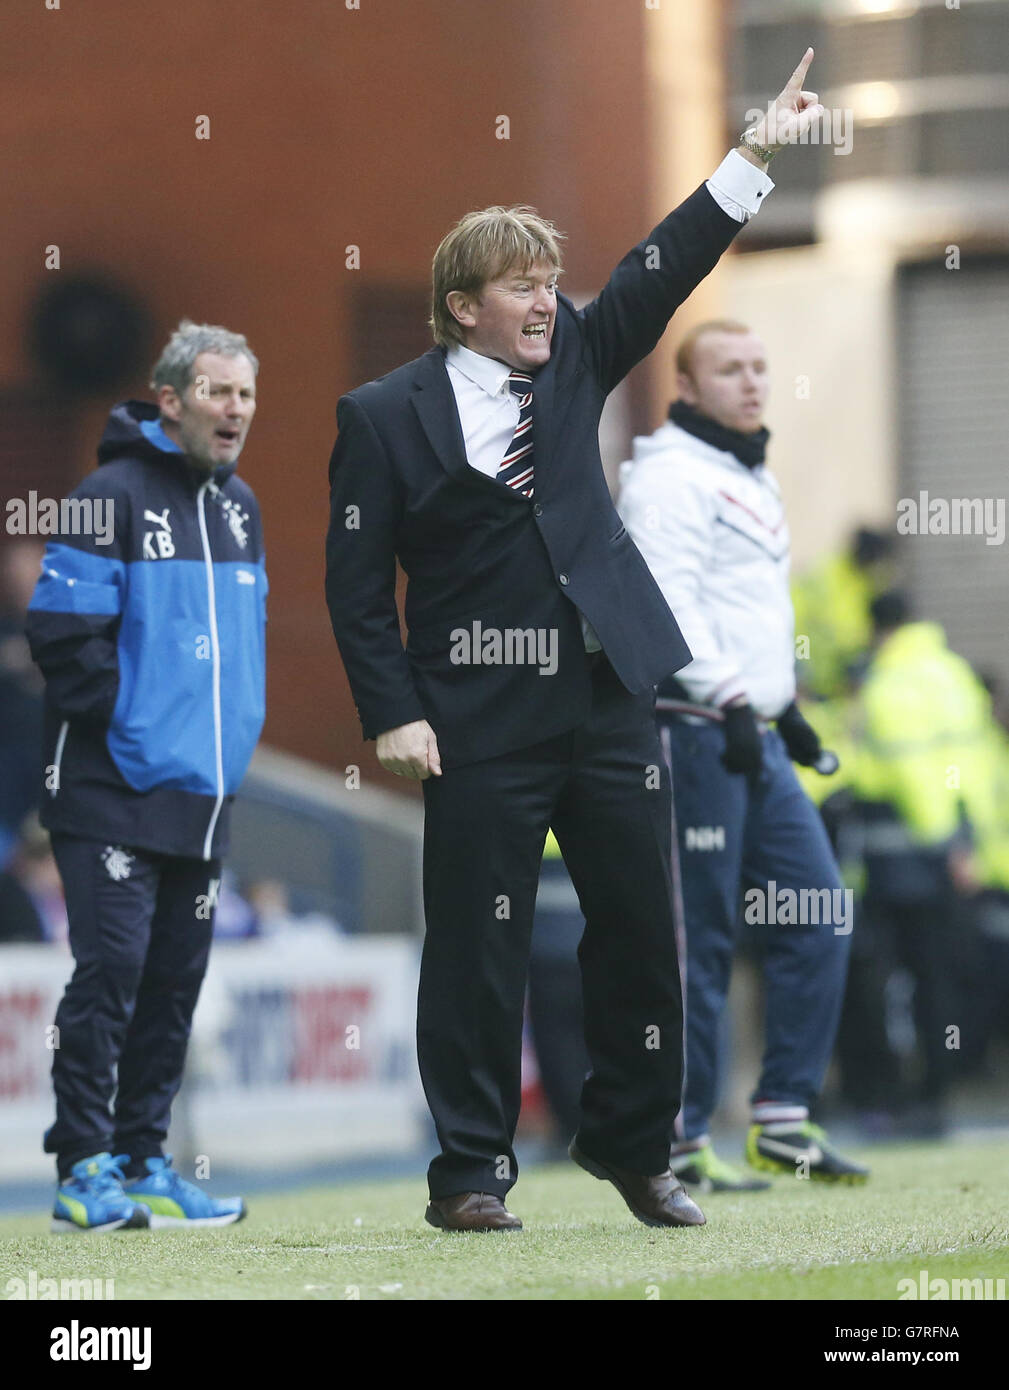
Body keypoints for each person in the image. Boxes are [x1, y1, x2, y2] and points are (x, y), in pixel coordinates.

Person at [326, 53, 825, 1231]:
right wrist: (390, 708)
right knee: (477, 953)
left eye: (551, 282)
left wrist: (753, 155)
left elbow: (666, 259)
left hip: (607, 696)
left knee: (644, 934)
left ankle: (633, 1146)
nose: (548, 301)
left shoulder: (583, 356)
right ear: (462, 306)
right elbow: (354, 586)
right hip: (474, 719)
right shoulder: (382, 416)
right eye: (520, 287)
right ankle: (469, 1174)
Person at [25, 320, 267, 1233]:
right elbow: (60, 635)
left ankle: (142, 1159)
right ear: (170, 401)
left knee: (173, 981)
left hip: (203, 796)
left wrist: (228, 744)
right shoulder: (105, 494)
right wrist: (131, 728)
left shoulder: (240, 505)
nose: (233, 407)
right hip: (111, 789)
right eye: (216, 390)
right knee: (114, 971)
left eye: (244, 393)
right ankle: (83, 1168)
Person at [619, 318, 869, 1192]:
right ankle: (678, 1137)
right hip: (692, 731)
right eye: (729, 369)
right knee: (701, 937)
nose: (752, 382)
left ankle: (781, 1120)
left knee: (820, 911)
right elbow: (662, 608)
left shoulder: (744, 475)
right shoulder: (669, 479)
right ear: (685, 388)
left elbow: (742, 613)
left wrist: (781, 711)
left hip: (749, 733)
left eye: (761, 367)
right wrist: (729, 695)